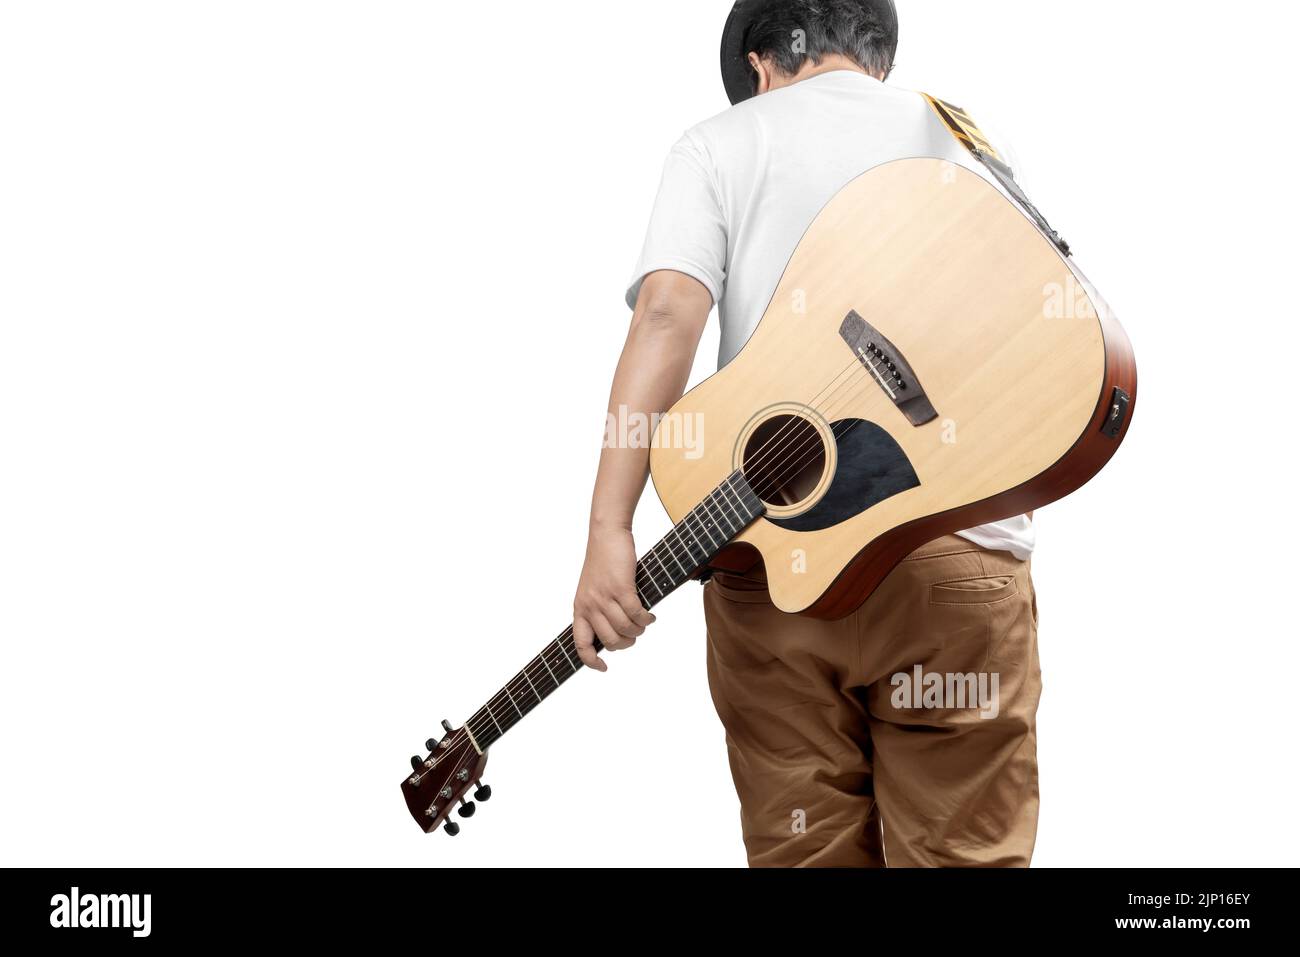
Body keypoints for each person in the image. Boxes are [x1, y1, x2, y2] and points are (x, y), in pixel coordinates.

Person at [571, 0, 1041, 867]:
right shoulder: (964, 141)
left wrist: (609, 531)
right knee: (966, 856)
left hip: (776, 564)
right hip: (952, 555)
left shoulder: (721, 143)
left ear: (760, 64)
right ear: (877, 57)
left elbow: (669, 313)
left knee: (805, 853)